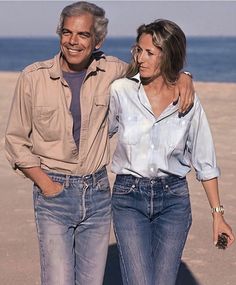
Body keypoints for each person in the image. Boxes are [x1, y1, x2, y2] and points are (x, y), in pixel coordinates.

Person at [5, 1, 194, 284]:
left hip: (97, 195)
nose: (73, 41)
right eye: (67, 32)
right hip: (53, 195)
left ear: (98, 40)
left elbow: (154, 71)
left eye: (82, 34)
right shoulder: (33, 78)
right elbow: (15, 140)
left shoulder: (115, 72)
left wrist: (183, 76)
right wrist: (46, 184)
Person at [109, 19, 235, 285]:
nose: (140, 58)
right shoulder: (121, 91)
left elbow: (205, 160)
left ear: (168, 56)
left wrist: (218, 214)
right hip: (128, 198)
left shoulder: (188, 100)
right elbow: (96, 134)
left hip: (174, 201)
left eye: (149, 53)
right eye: (138, 50)